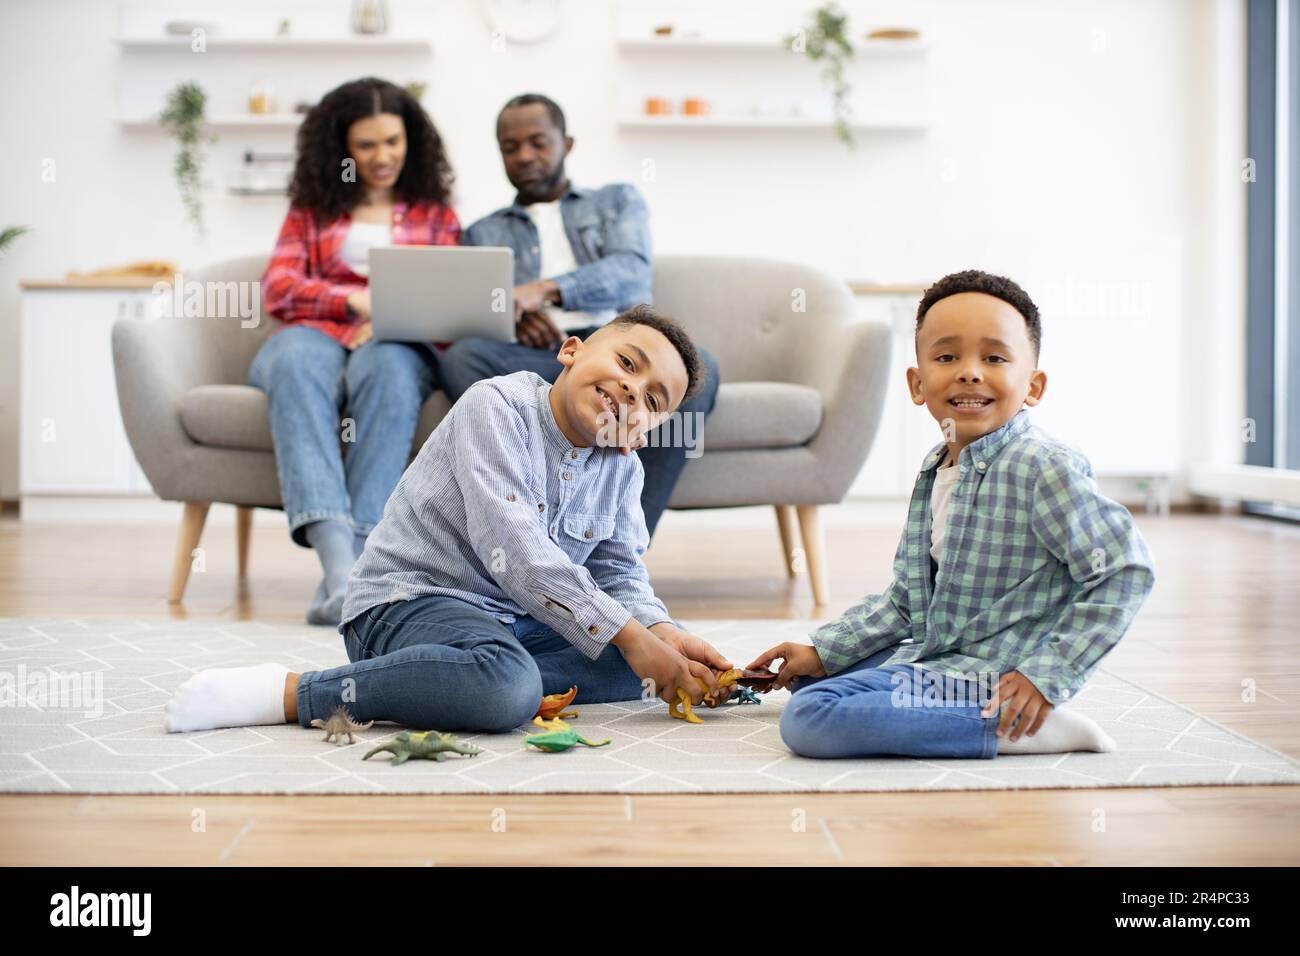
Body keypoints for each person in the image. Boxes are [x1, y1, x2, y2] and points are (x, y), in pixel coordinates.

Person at [163, 306, 738, 735]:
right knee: (512, 686)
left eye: (653, 401)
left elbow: (620, 576)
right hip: (408, 603)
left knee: (636, 665)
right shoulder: (496, 406)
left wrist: (663, 635)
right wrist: (636, 638)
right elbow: (515, 551)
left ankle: (457, 678)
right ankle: (293, 693)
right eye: (626, 364)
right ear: (570, 352)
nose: (631, 391)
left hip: (511, 623)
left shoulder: (623, 471)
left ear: (647, 430)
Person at [749, 270, 1156, 759]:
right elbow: (906, 603)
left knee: (810, 718)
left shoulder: (1042, 465)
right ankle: (945, 708)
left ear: (1034, 386)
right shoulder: (937, 466)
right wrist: (822, 649)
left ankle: (1009, 727)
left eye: (995, 358)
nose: (969, 372)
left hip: (1001, 672)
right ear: (918, 384)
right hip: (949, 655)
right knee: (823, 675)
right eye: (946, 357)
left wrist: (1046, 675)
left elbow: (1125, 569)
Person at [437, 93, 720, 538]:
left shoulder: (615, 202)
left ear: (566, 144)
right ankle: (530, 524)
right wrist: (507, 316)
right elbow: (467, 307)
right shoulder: (482, 231)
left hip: (608, 346)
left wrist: (543, 291)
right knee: (462, 357)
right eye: (510, 148)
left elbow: (631, 273)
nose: (524, 156)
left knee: (700, 370)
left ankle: (621, 544)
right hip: (533, 357)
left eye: (538, 142)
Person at [249, 77, 460, 626]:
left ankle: (361, 565)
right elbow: (279, 287)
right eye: (366, 145)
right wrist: (354, 301)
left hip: (394, 343)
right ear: (341, 148)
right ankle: (340, 569)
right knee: (295, 360)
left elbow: (450, 303)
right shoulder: (313, 207)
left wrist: (389, 319)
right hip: (314, 333)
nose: (382, 156)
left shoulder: (435, 214)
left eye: (392, 141)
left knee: (389, 365)